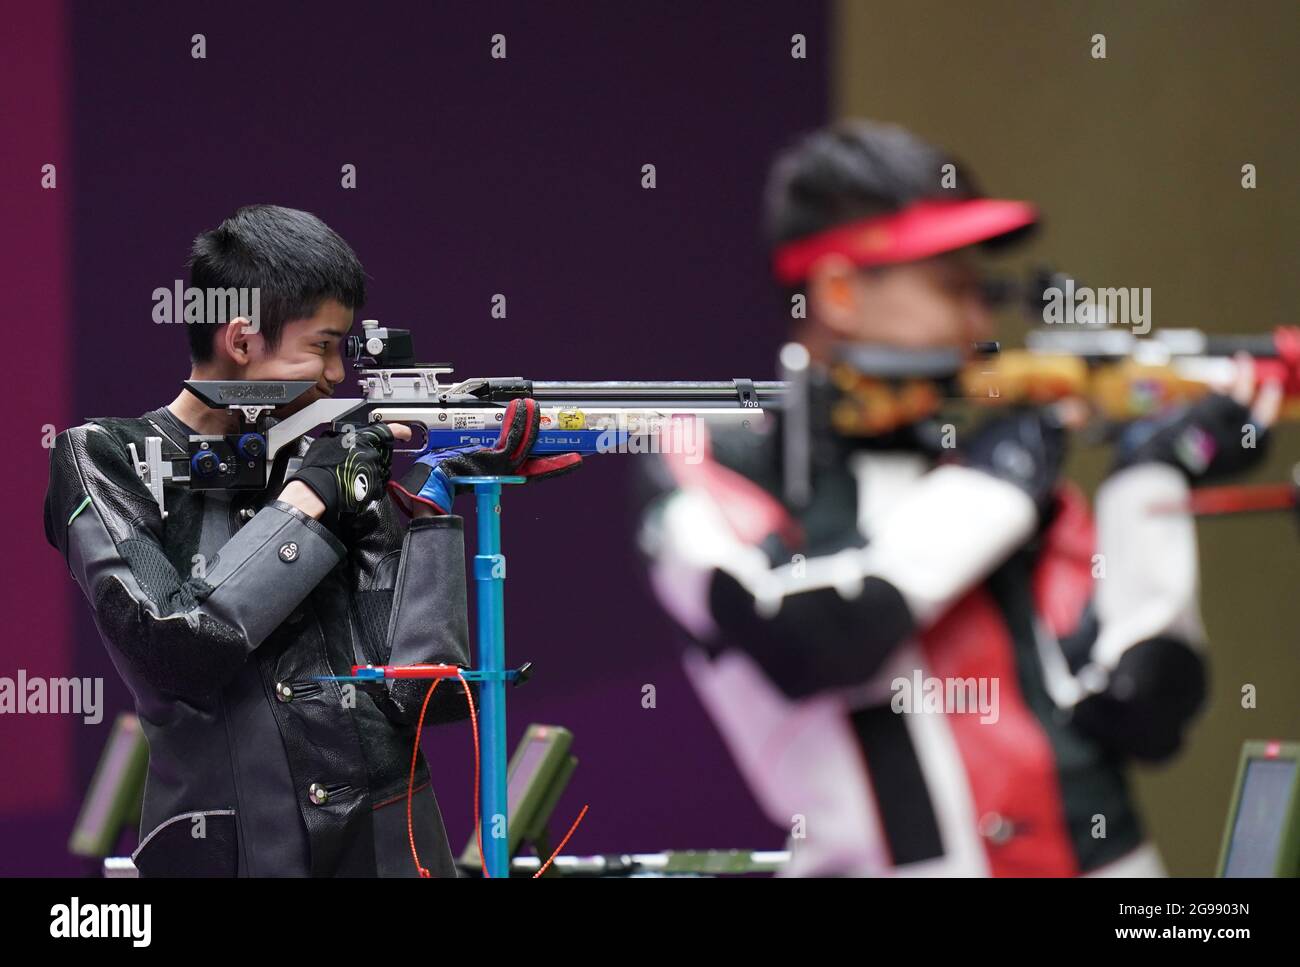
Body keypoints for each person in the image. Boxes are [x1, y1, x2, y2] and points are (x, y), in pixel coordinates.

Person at [635, 120, 1281, 876]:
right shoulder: (712, 455)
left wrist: (1150, 481)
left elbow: (1143, 710)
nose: (980, 325)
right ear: (839, 291)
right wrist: (996, 483)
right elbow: (813, 639)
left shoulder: (987, 477)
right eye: (953, 287)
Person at [43, 205, 578, 876]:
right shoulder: (105, 456)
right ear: (242, 340)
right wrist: (315, 496)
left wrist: (428, 504)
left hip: (393, 845)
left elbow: (423, 694)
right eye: (321, 346)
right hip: (235, 855)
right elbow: (176, 647)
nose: (335, 375)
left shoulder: (328, 454)